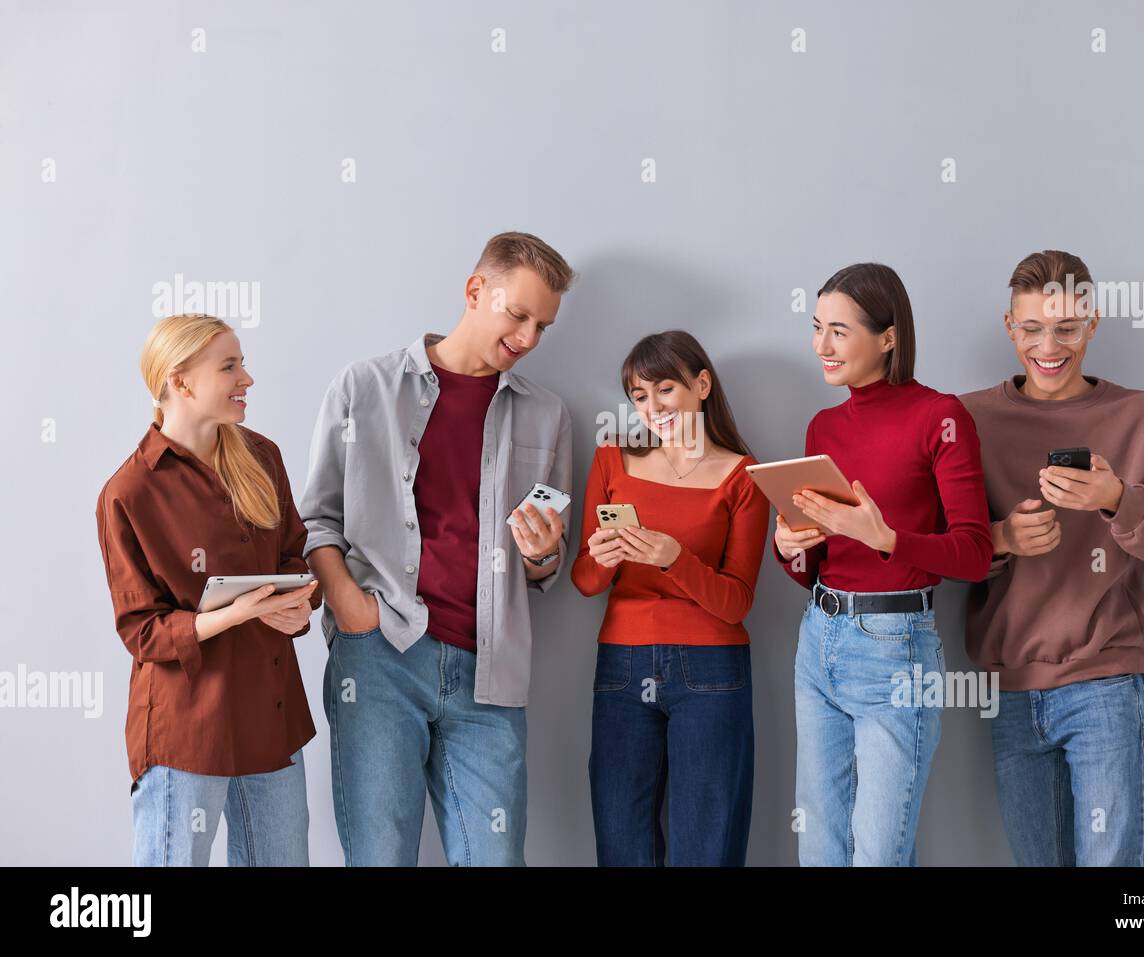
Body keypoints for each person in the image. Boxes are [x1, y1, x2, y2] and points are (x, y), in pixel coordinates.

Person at [300, 231, 575, 866]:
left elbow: (546, 565)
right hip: (380, 658)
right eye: (519, 315)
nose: (529, 338)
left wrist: (541, 555)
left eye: (544, 326)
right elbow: (316, 519)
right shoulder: (363, 387)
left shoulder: (548, 415)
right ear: (476, 290)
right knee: (380, 857)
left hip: (491, 669)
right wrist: (348, 607)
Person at [959, 249, 1144, 866]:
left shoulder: (1141, 415)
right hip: (1009, 687)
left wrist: (1118, 499)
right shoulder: (965, 418)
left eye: (1068, 328)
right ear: (1009, 326)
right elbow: (936, 551)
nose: (1050, 345)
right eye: (1033, 328)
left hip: (1105, 684)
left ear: (1093, 325)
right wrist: (1001, 540)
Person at [773, 263, 992, 866]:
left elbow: (975, 553)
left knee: (878, 855)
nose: (821, 346)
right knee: (818, 847)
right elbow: (816, 557)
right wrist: (791, 549)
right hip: (818, 640)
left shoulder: (940, 416)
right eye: (817, 328)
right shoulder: (823, 425)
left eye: (839, 331)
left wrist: (889, 538)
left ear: (888, 336)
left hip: (895, 649)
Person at [95, 313, 321, 866]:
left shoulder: (262, 456)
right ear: (180, 380)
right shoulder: (129, 492)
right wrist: (232, 614)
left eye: (241, 363)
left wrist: (299, 607)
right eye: (230, 366)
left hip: (272, 721)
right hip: (187, 730)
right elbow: (141, 630)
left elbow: (294, 554)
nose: (247, 379)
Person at [571, 331, 770, 866]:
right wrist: (606, 556)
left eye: (665, 389)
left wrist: (674, 558)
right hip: (622, 662)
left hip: (712, 668)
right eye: (639, 395)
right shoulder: (612, 459)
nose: (652, 407)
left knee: (706, 844)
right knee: (621, 841)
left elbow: (736, 602)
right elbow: (586, 580)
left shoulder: (744, 476)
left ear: (701, 385)